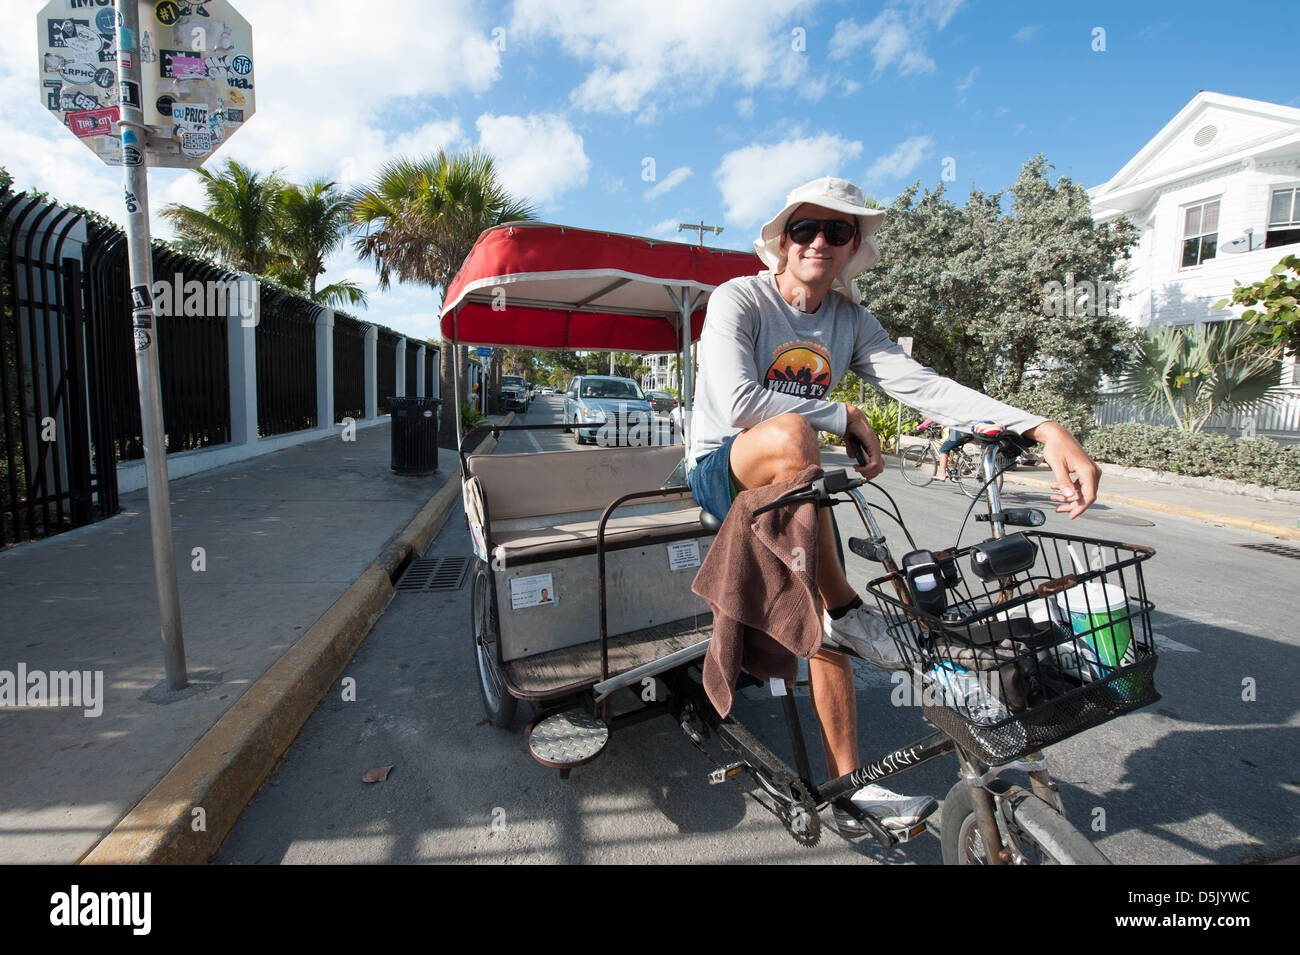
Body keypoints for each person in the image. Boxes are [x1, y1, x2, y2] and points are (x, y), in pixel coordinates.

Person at [685, 176, 1102, 835]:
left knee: (815, 617)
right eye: (805, 228)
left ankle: (855, 786)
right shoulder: (741, 299)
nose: (820, 241)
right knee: (798, 444)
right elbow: (739, 404)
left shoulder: (849, 320)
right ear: (783, 239)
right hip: (722, 467)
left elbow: (926, 390)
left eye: (838, 231)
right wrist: (840, 411)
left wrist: (1042, 427)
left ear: (854, 247)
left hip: (793, 485)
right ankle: (847, 606)